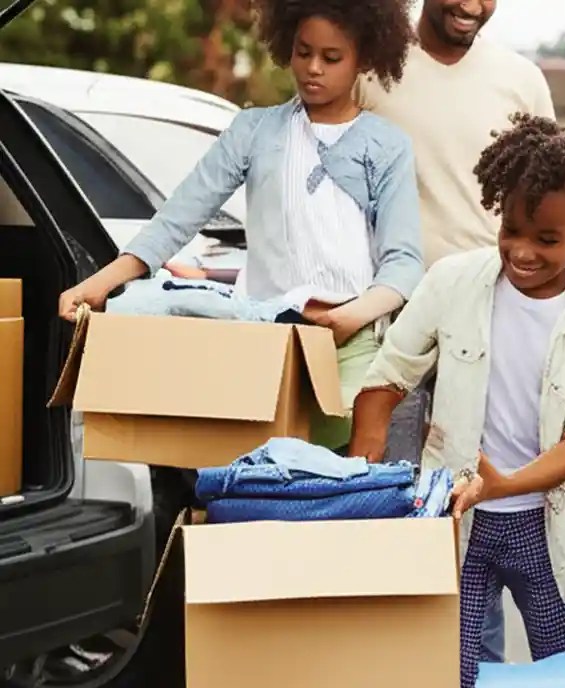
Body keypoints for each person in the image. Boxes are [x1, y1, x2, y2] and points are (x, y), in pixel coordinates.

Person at [346, 113, 565, 688]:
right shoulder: (453, 282)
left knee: (564, 677)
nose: (523, 252)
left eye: (546, 240)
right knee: (456, 682)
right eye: (512, 231)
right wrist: (360, 467)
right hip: (456, 520)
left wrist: (506, 484)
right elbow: (387, 376)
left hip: (541, 529)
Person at [55, 0, 423, 451]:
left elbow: (403, 264)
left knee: (340, 491)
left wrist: (350, 318)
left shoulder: (386, 146)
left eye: (331, 58)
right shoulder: (254, 132)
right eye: (303, 51)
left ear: (365, 58)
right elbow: (179, 216)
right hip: (267, 341)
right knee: (259, 483)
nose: (312, 68)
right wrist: (102, 282)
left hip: (355, 345)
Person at [353, 0, 557, 666]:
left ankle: (480, 686)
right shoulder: (371, 66)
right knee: (390, 510)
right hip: (392, 325)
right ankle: (393, 681)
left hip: (489, 327)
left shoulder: (521, 81)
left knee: (476, 522)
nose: (473, 5)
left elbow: (547, 202)